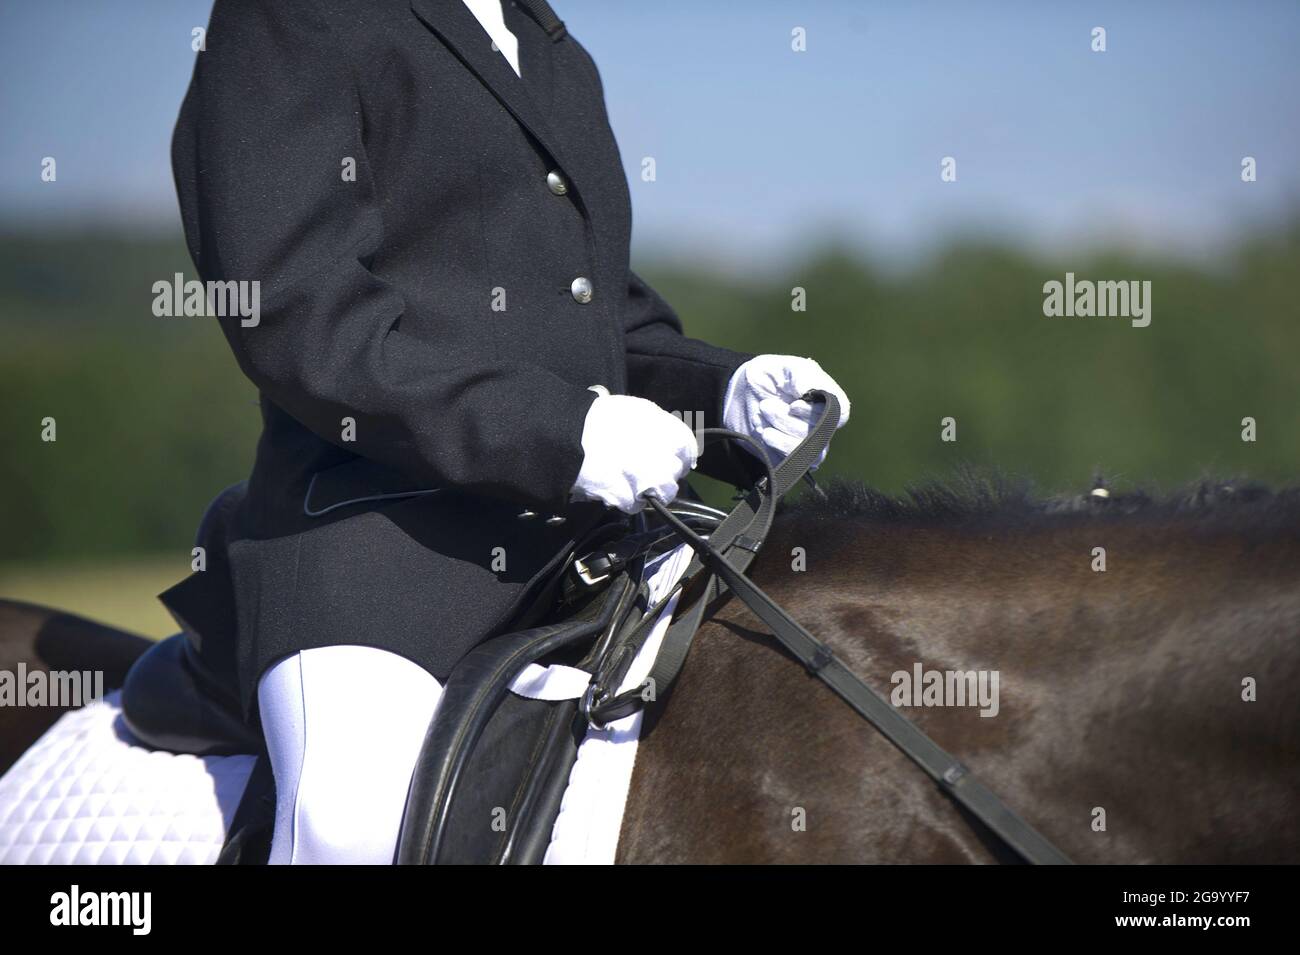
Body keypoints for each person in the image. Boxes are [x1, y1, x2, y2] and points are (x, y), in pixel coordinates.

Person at [166, 0, 850, 864]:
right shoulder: (297, 17)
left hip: (592, 548)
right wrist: (560, 434)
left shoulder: (552, 49)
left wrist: (729, 401)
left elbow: (600, 332)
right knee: (354, 827)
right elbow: (303, 318)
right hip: (380, 556)